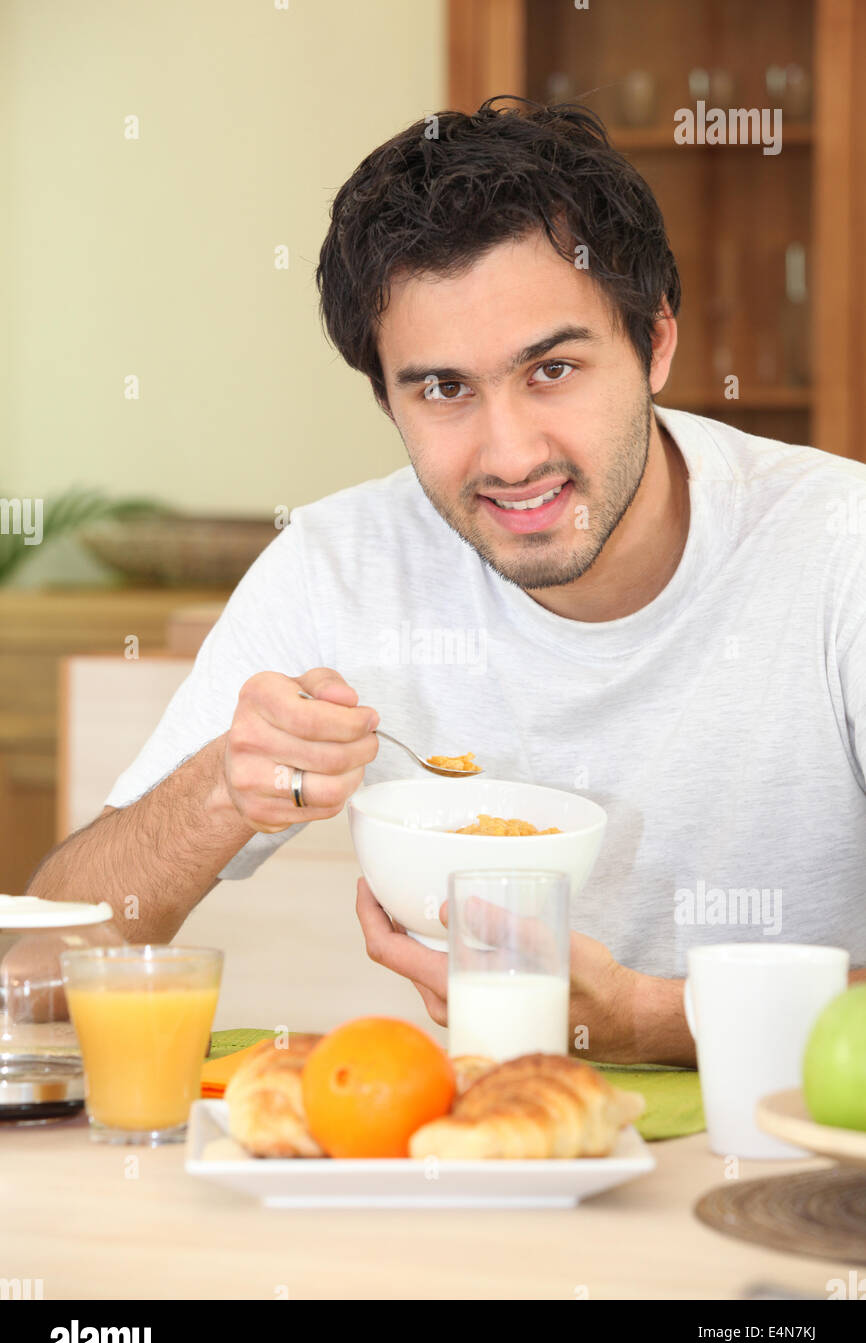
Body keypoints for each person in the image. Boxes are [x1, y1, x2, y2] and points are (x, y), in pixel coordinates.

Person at [28, 98, 866, 1065]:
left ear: (657, 343)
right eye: (443, 389)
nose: (509, 456)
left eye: (552, 370)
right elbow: (33, 977)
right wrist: (220, 790)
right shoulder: (336, 566)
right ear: (385, 399)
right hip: (455, 1135)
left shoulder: (838, 548)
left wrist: (643, 1017)